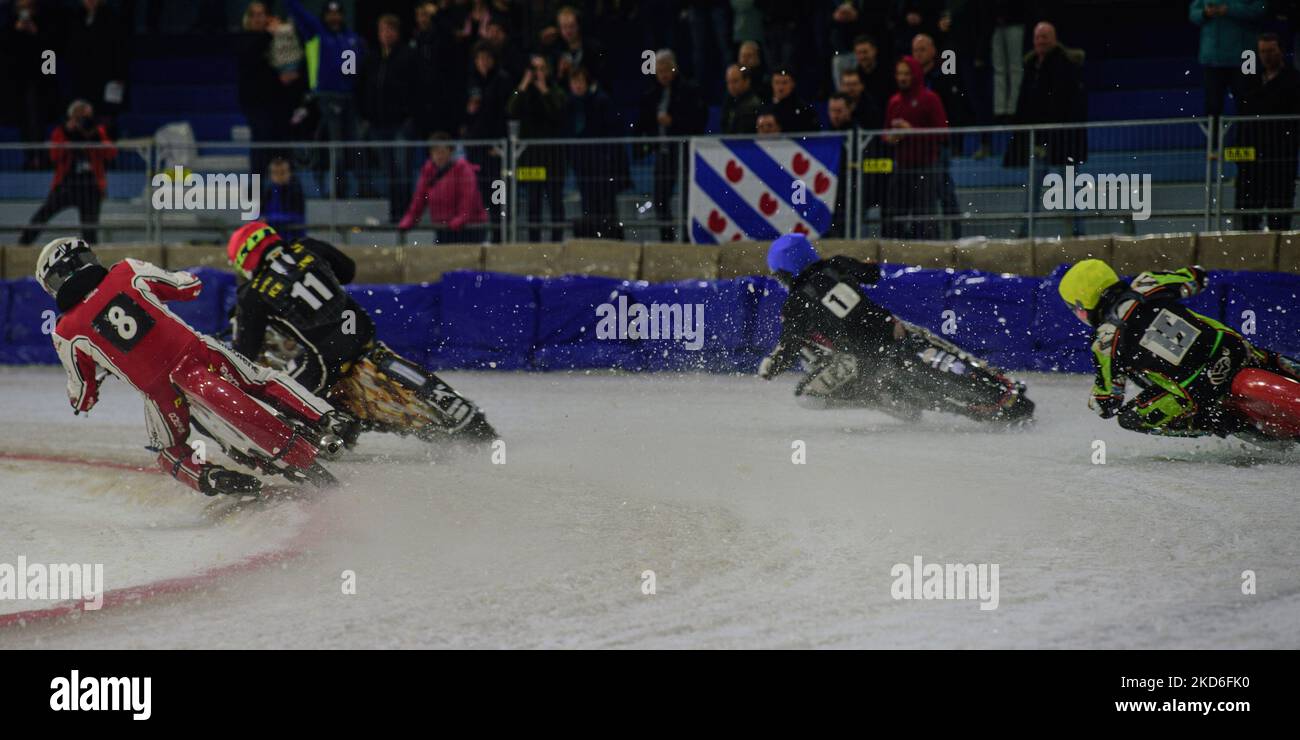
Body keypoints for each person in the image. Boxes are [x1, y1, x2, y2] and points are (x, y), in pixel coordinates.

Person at [38, 237, 344, 496]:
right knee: (260, 379)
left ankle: (214, 479)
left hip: (161, 393)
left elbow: (81, 395)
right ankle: (324, 417)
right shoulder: (127, 270)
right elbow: (188, 285)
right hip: (199, 355)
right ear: (87, 256)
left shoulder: (66, 332)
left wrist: (85, 399)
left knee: (169, 453)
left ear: (52, 284)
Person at [226, 222, 495, 441]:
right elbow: (348, 271)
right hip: (359, 328)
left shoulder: (252, 294)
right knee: (370, 355)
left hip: (325, 358)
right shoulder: (308, 247)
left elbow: (245, 352)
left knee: (283, 390)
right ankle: (458, 413)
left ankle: (333, 430)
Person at [1058, 259, 1300, 437]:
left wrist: (1097, 400)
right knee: (1260, 353)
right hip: (1229, 349)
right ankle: (1282, 364)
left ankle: (1217, 423)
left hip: (1199, 389)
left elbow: (1108, 403)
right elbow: (1197, 278)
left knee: (1129, 419)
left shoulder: (1104, 342)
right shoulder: (1146, 284)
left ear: (1082, 306)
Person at [286, 0, 364, 197]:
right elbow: (300, 13)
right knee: (335, 145)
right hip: (326, 97)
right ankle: (337, 190)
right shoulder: (317, 33)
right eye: (330, 13)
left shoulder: (352, 39)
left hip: (348, 98)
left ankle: (357, 187)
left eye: (337, 13)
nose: (334, 17)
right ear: (325, 16)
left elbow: (353, 72)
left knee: (354, 144)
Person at [19, 101, 116, 246]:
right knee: (43, 215)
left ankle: (92, 260)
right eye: (82, 118)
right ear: (73, 117)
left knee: (90, 229)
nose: (85, 121)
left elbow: (111, 153)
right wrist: (68, 133)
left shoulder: (98, 131)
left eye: (88, 117)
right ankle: (22, 244)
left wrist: (95, 136)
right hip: (66, 184)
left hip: (90, 187)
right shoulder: (61, 131)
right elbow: (54, 156)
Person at [637, 49, 707, 241]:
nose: (663, 75)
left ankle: (686, 238)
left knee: (687, 199)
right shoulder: (652, 92)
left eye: (666, 70)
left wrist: (673, 122)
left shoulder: (689, 90)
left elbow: (698, 120)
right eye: (659, 71)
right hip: (663, 153)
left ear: (674, 68)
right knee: (660, 199)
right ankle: (666, 239)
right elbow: (643, 121)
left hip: (683, 151)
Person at [356, 14, 419, 223]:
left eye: (391, 29)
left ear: (397, 32)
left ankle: (407, 214)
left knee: (403, 170)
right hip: (377, 125)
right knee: (389, 172)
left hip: (401, 124)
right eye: (383, 30)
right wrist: (365, 116)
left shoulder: (408, 56)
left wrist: (410, 116)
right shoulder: (372, 57)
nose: (386, 34)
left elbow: (417, 88)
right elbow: (362, 87)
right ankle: (395, 213)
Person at [1234, 32, 1300, 231]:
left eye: (1270, 50)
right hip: (1252, 156)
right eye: (1262, 51)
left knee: (1280, 210)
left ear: (1280, 50)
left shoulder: (1293, 79)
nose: (1266, 56)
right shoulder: (1250, 79)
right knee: (1248, 211)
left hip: (1281, 155)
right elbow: (1243, 108)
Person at [883, 56, 947, 239]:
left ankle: (932, 260)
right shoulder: (894, 102)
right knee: (895, 215)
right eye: (899, 74)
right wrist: (892, 137)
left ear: (915, 75)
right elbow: (885, 133)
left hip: (925, 167)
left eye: (906, 74)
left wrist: (912, 131)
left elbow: (943, 132)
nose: (902, 78)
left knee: (925, 215)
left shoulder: (930, 99)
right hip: (901, 167)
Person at [508, 54, 567, 242]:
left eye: (542, 69)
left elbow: (559, 114)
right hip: (531, 158)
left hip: (553, 158)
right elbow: (511, 109)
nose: (538, 73)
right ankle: (534, 242)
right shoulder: (522, 92)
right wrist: (523, 85)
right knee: (533, 202)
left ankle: (557, 241)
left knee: (555, 201)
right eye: (534, 70)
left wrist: (544, 91)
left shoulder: (556, 89)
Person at [397, 133, 488, 243]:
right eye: (435, 152)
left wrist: (460, 220)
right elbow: (419, 199)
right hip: (444, 227)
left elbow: (468, 199)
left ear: (450, 152)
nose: (439, 156)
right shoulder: (428, 171)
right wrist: (410, 219)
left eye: (442, 152)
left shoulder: (463, 169)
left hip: (469, 228)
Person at [262, 156, 307, 240]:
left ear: (289, 173)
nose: (279, 176)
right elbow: (260, 215)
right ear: (270, 175)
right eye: (275, 173)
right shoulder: (268, 191)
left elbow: (297, 217)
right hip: (272, 238)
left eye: (282, 172)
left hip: (293, 238)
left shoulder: (295, 190)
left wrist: (269, 219)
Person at [721, 64, 763, 134]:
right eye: (728, 82)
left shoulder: (753, 104)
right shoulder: (729, 100)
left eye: (735, 81)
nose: (731, 86)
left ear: (747, 81)